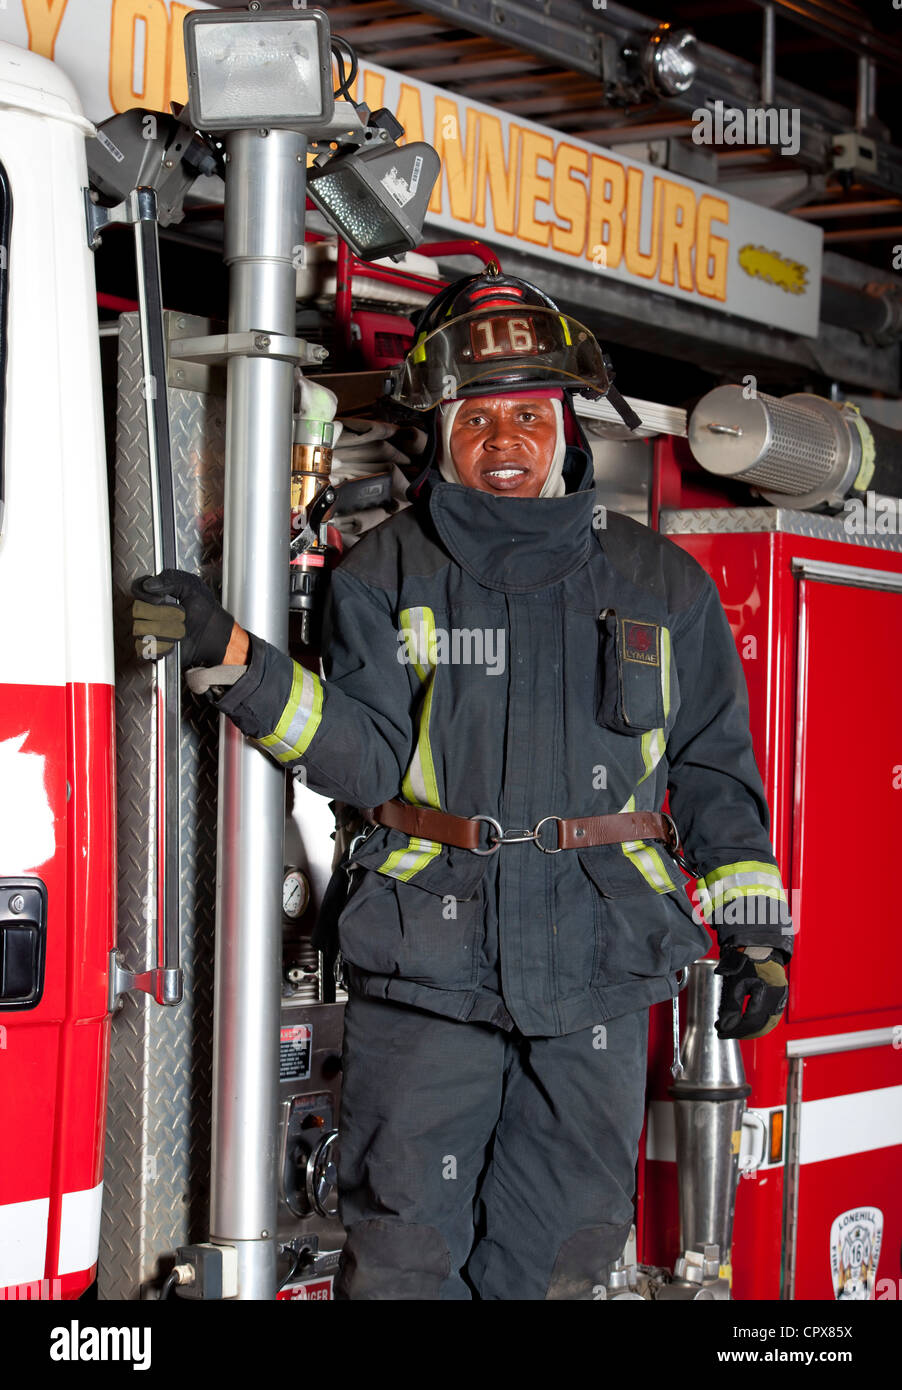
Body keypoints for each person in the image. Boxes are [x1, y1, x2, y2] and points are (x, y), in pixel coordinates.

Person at [132, 266, 792, 1300]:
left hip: (598, 972)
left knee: (565, 1249)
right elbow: (362, 759)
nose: (505, 442)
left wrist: (753, 932)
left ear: (565, 423)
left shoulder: (661, 584)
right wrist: (234, 662)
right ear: (439, 430)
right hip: (430, 972)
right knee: (403, 1254)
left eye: (528, 414)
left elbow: (713, 767)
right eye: (477, 418)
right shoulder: (385, 574)